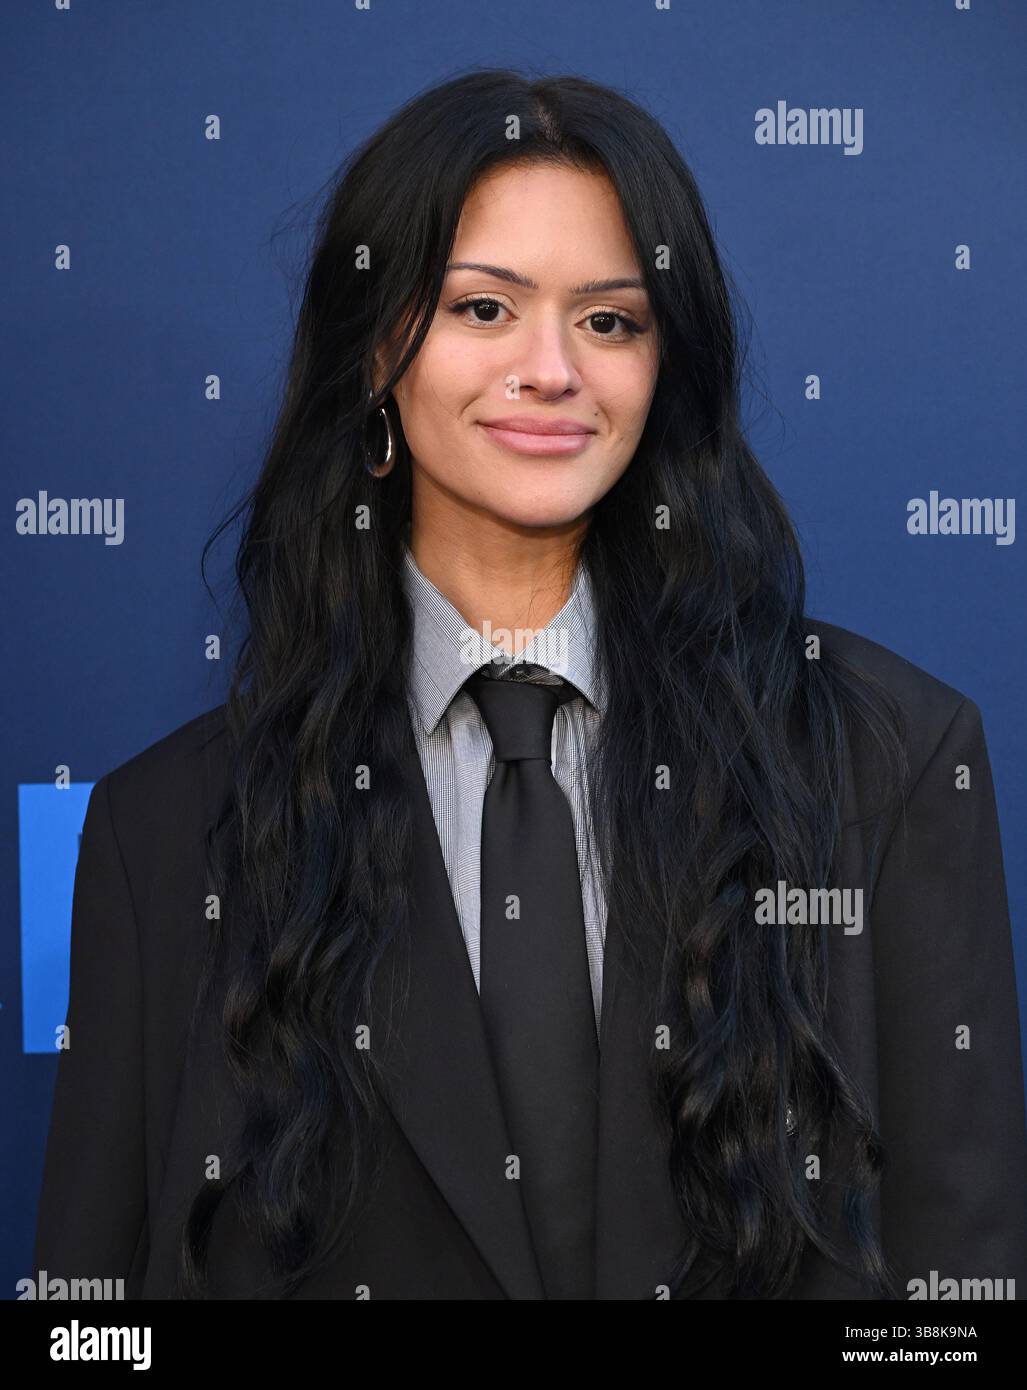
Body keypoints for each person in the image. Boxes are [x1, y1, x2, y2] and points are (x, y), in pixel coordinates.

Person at [33, 69, 1027, 1301]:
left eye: (609, 320)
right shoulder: (161, 830)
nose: (552, 369)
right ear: (376, 352)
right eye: (483, 309)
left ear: (667, 365)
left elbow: (963, 1293)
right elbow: (90, 1318)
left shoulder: (894, 761)